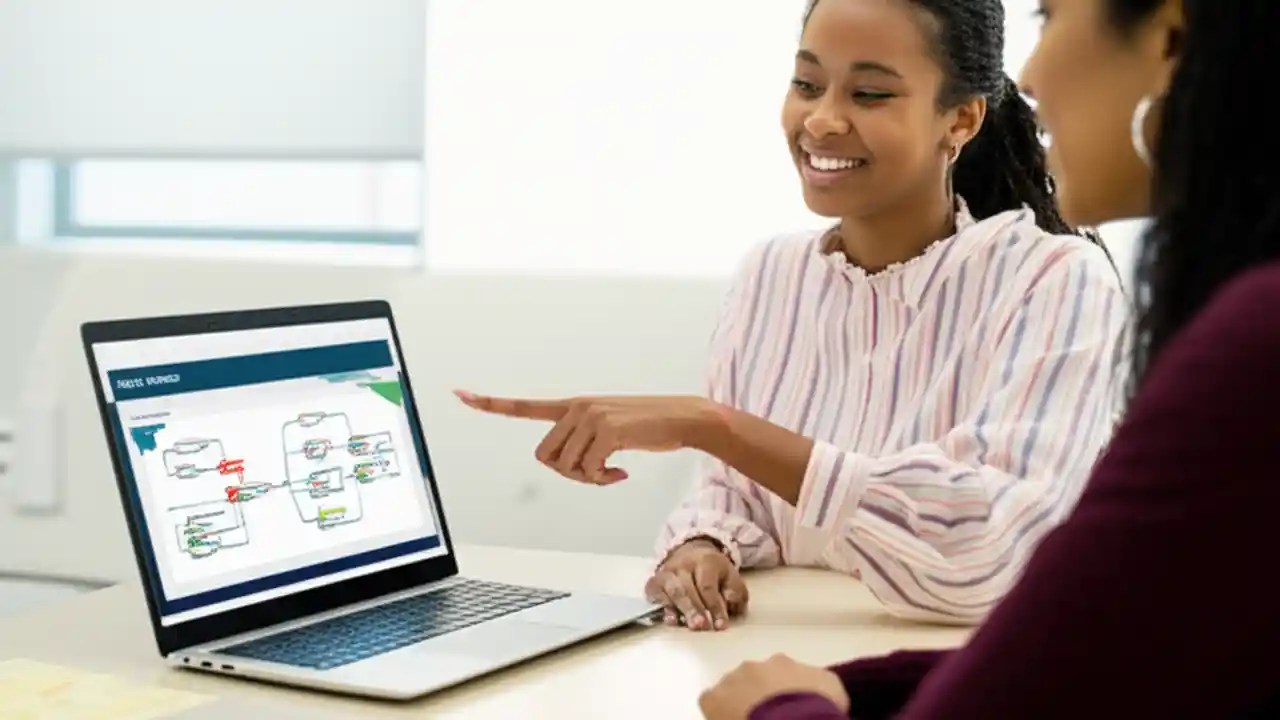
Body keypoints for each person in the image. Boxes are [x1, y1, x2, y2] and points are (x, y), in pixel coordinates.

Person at [456, 0, 1129, 629]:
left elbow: (984, 554)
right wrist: (702, 546)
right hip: (785, 663)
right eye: (808, 85)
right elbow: (733, 497)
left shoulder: (1053, 281)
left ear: (960, 120)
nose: (822, 120)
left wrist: (712, 425)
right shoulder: (771, 274)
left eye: (869, 93)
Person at [697, 0, 1280, 717]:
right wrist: (849, 682)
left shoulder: (1251, 349)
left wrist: (779, 707)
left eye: (1051, 15)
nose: (1028, 76)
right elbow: (1077, 657)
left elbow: (1007, 578)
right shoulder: (769, 271)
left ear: (1170, 38)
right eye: (807, 83)